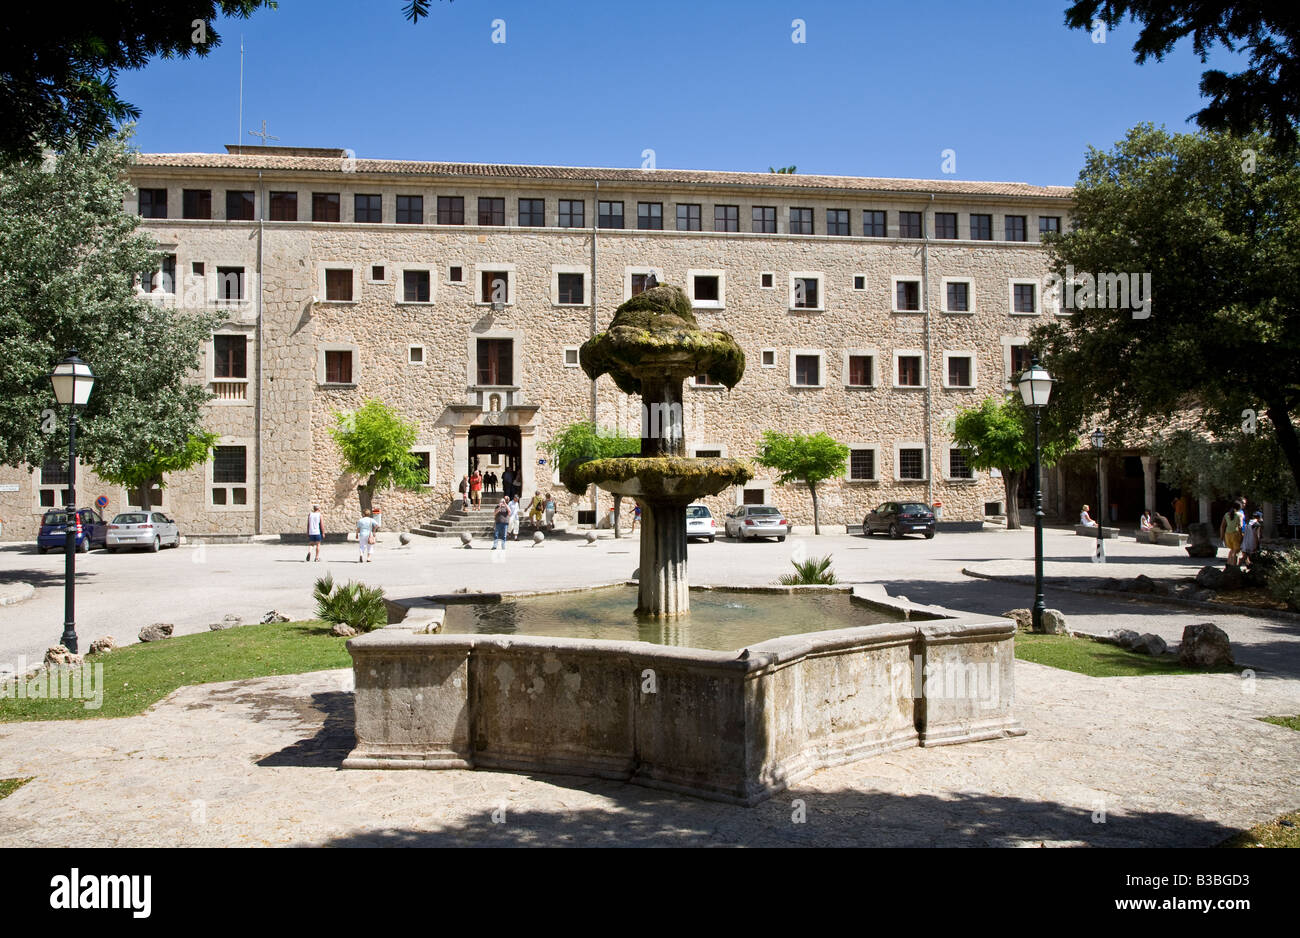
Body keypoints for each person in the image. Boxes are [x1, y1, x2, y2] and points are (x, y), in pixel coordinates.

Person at [1220, 499, 1245, 565]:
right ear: (1239, 508)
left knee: (1231, 550)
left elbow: (1222, 526)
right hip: (1235, 534)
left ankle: (1228, 564)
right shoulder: (1239, 515)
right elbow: (1240, 527)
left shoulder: (1226, 514)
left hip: (1227, 534)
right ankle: (1234, 566)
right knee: (1236, 551)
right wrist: (1242, 535)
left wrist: (1222, 536)